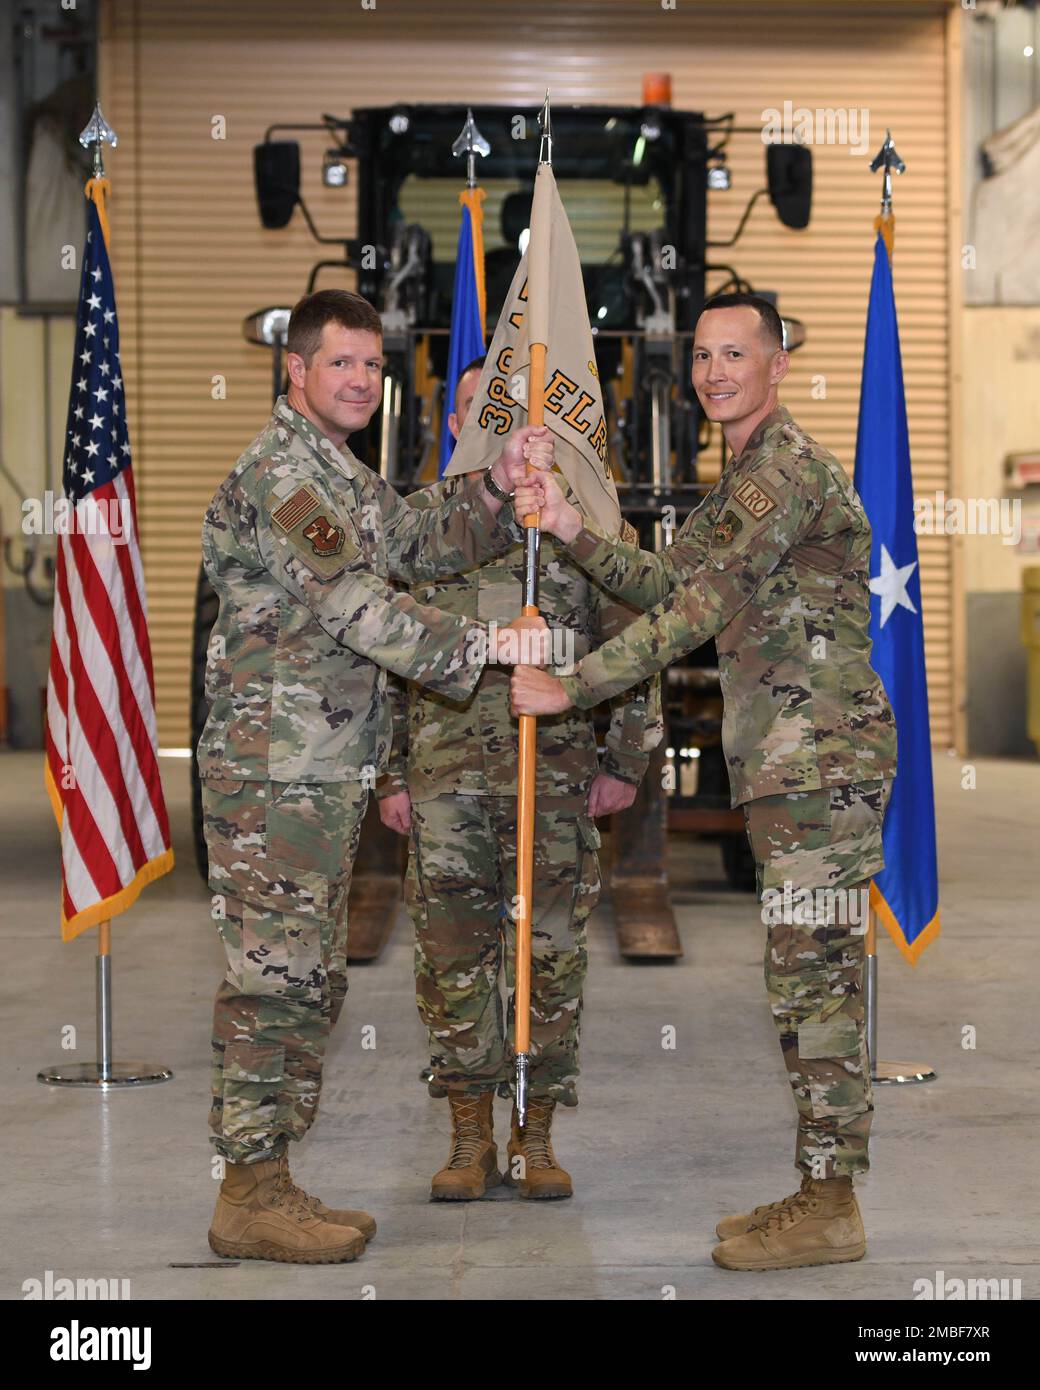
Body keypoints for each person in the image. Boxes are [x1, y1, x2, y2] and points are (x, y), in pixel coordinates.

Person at [508, 292, 898, 1271]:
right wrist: (564, 524)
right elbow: (661, 581)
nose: (713, 372)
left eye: (735, 354)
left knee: (815, 979)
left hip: (820, 765)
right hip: (788, 760)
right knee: (797, 974)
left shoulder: (785, 475)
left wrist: (574, 685)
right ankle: (817, 1186)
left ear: (776, 364)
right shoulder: (745, 479)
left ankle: (831, 1203)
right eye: (702, 357)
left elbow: (690, 616)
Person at [198, 289, 551, 1264]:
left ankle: (266, 1179)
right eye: (339, 363)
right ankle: (246, 1191)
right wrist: (487, 641)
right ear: (296, 369)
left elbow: (409, 539)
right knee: (273, 979)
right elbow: (359, 605)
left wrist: (490, 486)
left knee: (307, 977)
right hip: (272, 776)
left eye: (370, 365)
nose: (358, 380)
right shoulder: (280, 473)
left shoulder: (339, 472)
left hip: (317, 771)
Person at [377, 356, 662, 1202]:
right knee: (452, 961)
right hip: (445, 783)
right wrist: (388, 772)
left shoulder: (580, 520)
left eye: (502, 407)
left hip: (561, 778)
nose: (489, 423)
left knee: (552, 958)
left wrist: (626, 758)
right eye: (474, 409)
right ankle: (468, 1136)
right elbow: (384, 648)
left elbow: (636, 644)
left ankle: (535, 1136)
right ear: (452, 420)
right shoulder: (421, 524)